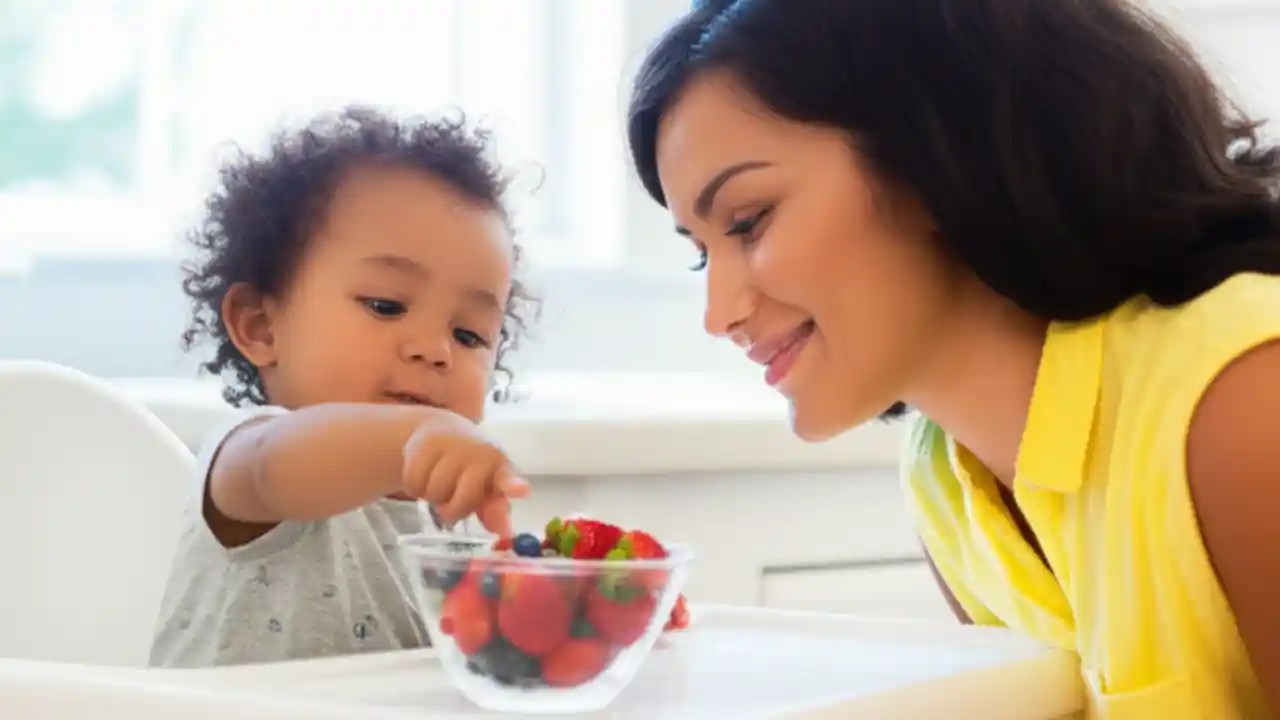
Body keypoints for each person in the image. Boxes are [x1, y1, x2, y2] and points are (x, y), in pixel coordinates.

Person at [627, 0, 1280, 716]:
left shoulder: (1242, 393)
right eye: (700, 257)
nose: (719, 315)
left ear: (932, 157)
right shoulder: (945, 473)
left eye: (749, 222)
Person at [150, 107, 536, 667]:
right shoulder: (250, 457)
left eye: (470, 334)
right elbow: (275, 467)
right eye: (385, 306)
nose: (436, 349)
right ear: (260, 325)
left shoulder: (442, 515)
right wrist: (418, 435)